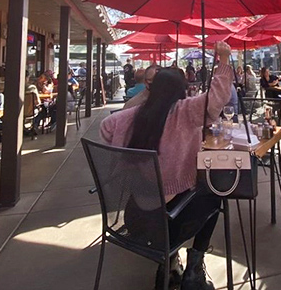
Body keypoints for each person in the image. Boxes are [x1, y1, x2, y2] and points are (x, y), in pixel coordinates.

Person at [100, 42, 233, 290]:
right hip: (169, 218)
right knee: (215, 197)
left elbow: (105, 129)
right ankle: (194, 270)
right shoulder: (185, 111)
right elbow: (217, 98)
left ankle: (170, 264)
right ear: (181, 90)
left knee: (193, 196)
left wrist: (123, 147)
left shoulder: (135, 114)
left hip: (135, 215)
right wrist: (223, 59)